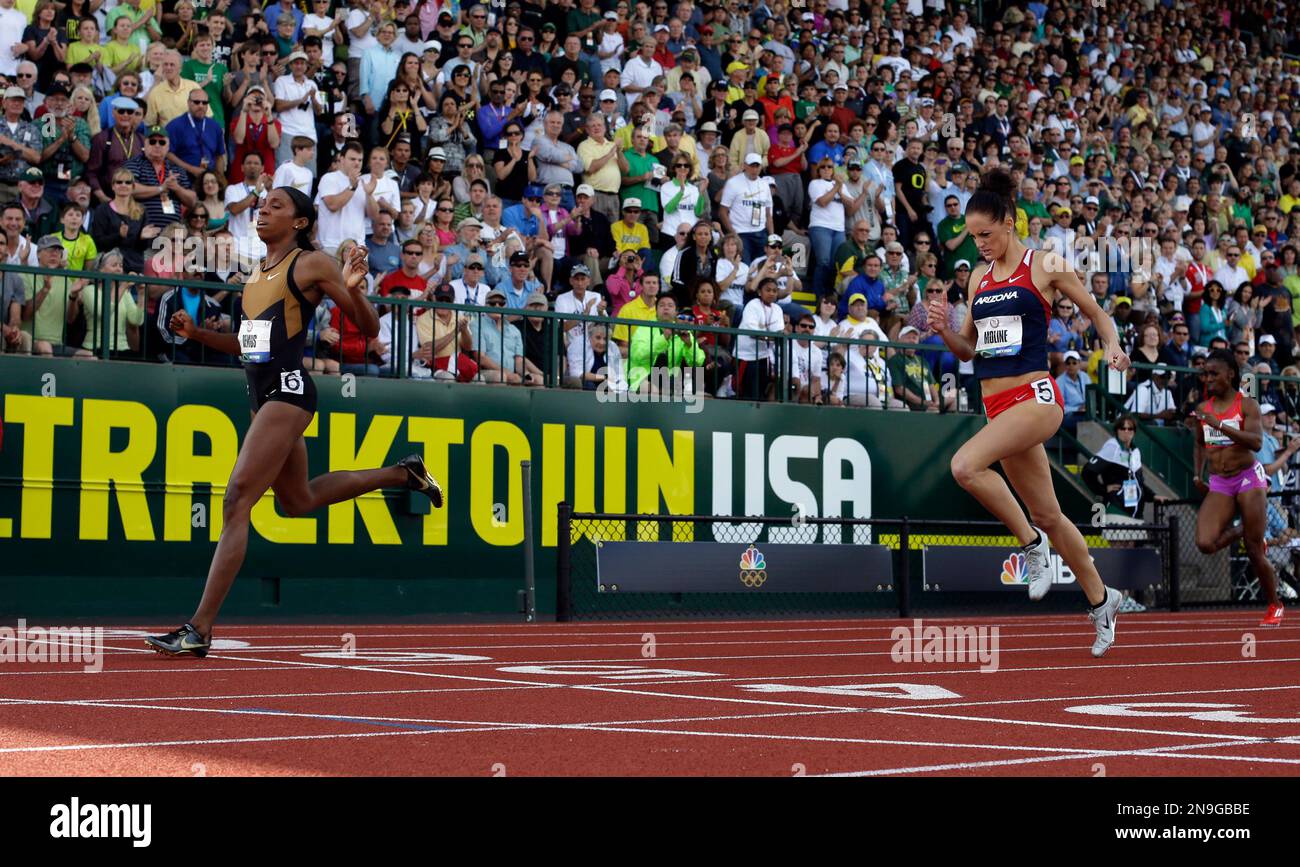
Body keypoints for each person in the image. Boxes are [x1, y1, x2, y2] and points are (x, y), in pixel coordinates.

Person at [145, 188, 444, 657]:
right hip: (262, 396)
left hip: (287, 392)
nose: (262, 211)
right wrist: (196, 333)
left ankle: (199, 629)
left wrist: (354, 289)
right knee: (298, 501)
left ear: (301, 222)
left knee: (237, 497)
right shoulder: (255, 275)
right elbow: (248, 348)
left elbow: (368, 329)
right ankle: (402, 473)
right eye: (260, 206)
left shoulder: (311, 264)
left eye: (275, 207)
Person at [927, 167, 1131, 657]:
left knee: (964, 466)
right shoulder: (978, 277)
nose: (980, 245)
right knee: (1051, 513)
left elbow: (1098, 313)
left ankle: (1030, 546)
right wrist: (943, 329)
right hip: (997, 405)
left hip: (1037, 398)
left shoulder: (1047, 264)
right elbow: (969, 352)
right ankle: (1103, 601)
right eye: (973, 237)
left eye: (987, 234)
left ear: (1010, 223)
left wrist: (1114, 347)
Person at [1189, 349, 1285, 627]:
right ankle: (1247, 527)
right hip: (1220, 480)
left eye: (1214, 373)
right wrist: (1198, 474)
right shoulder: (1203, 409)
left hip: (1247, 477)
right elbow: (1198, 443)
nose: (1208, 378)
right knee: (1205, 543)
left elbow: (1255, 443)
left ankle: (1275, 604)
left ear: (1230, 374)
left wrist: (1221, 426)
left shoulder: (1247, 405)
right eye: (1205, 373)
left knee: (1254, 550)